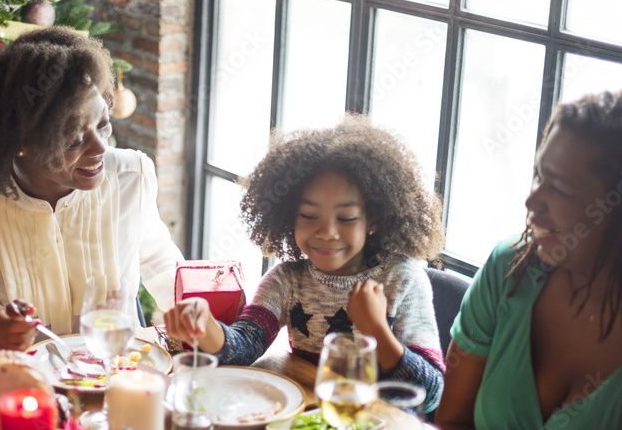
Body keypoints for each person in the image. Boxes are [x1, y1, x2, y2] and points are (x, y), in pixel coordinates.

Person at [436, 91, 622, 430]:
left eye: (561, 189)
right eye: (538, 176)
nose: (531, 202)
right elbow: (452, 427)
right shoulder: (512, 268)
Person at [165, 115, 445, 413]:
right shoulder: (286, 281)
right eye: (309, 216)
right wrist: (205, 326)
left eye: (347, 218)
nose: (327, 232)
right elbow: (244, 347)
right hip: (314, 424)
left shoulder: (402, 279)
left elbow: (431, 393)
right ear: (289, 216)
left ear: (373, 220)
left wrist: (376, 329)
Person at [0, 27, 183, 352]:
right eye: (75, 140)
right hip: (24, 387)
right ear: (20, 143)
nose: (100, 148)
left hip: (118, 376)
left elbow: (160, 258)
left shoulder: (132, 176)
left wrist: (191, 305)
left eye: (103, 124)